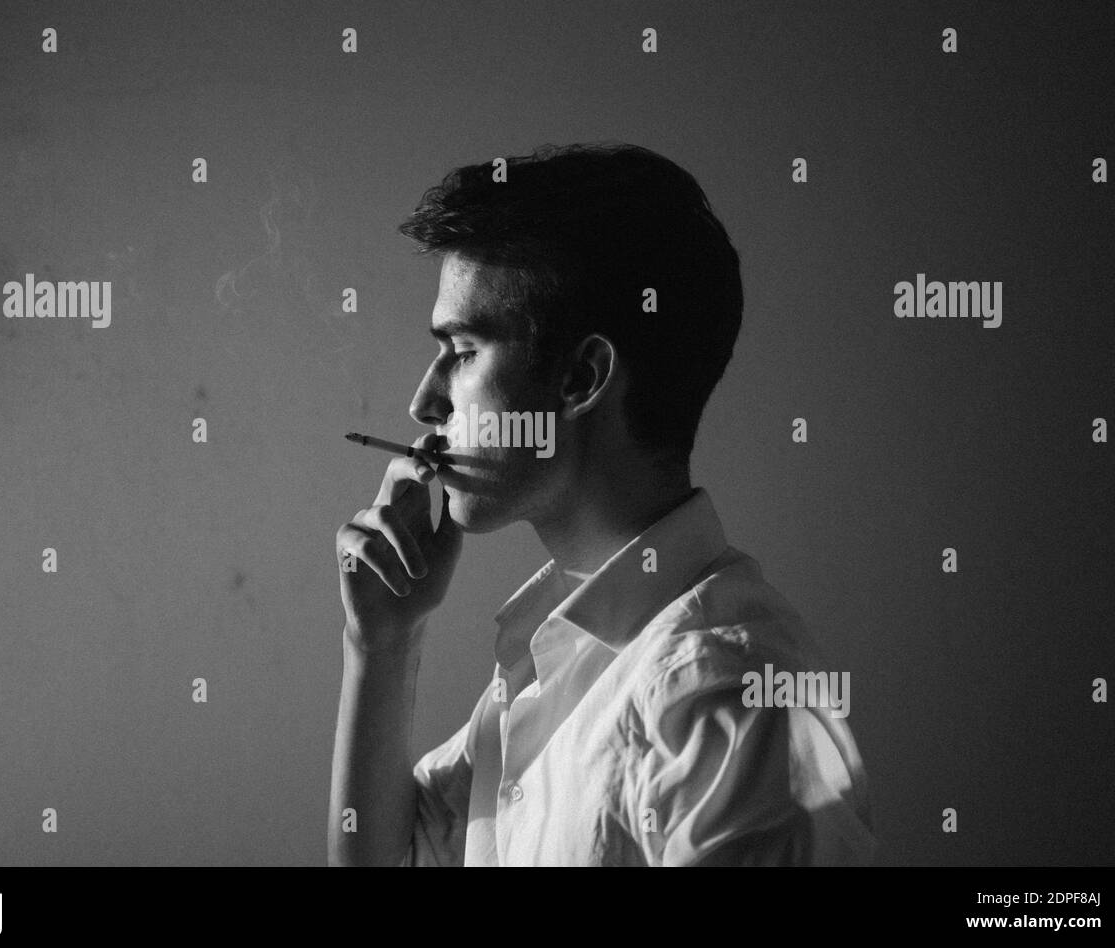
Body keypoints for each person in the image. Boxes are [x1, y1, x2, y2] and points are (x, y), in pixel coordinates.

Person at [330, 143, 875, 866]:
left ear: (582, 377)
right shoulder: (556, 667)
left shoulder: (727, 697)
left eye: (462, 350)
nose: (424, 403)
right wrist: (379, 642)